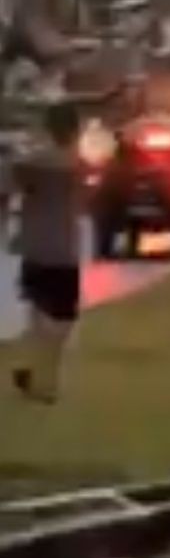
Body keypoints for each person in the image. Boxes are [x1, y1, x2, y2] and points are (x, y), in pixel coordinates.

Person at [10, 102, 85, 404]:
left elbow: (10, 187)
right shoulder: (79, 163)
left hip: (36, 244)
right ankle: (47, 379)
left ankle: (33, 370)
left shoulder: (32, 162)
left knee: (38, 312)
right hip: (65, 249)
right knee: (63, 319)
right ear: (75, 130)